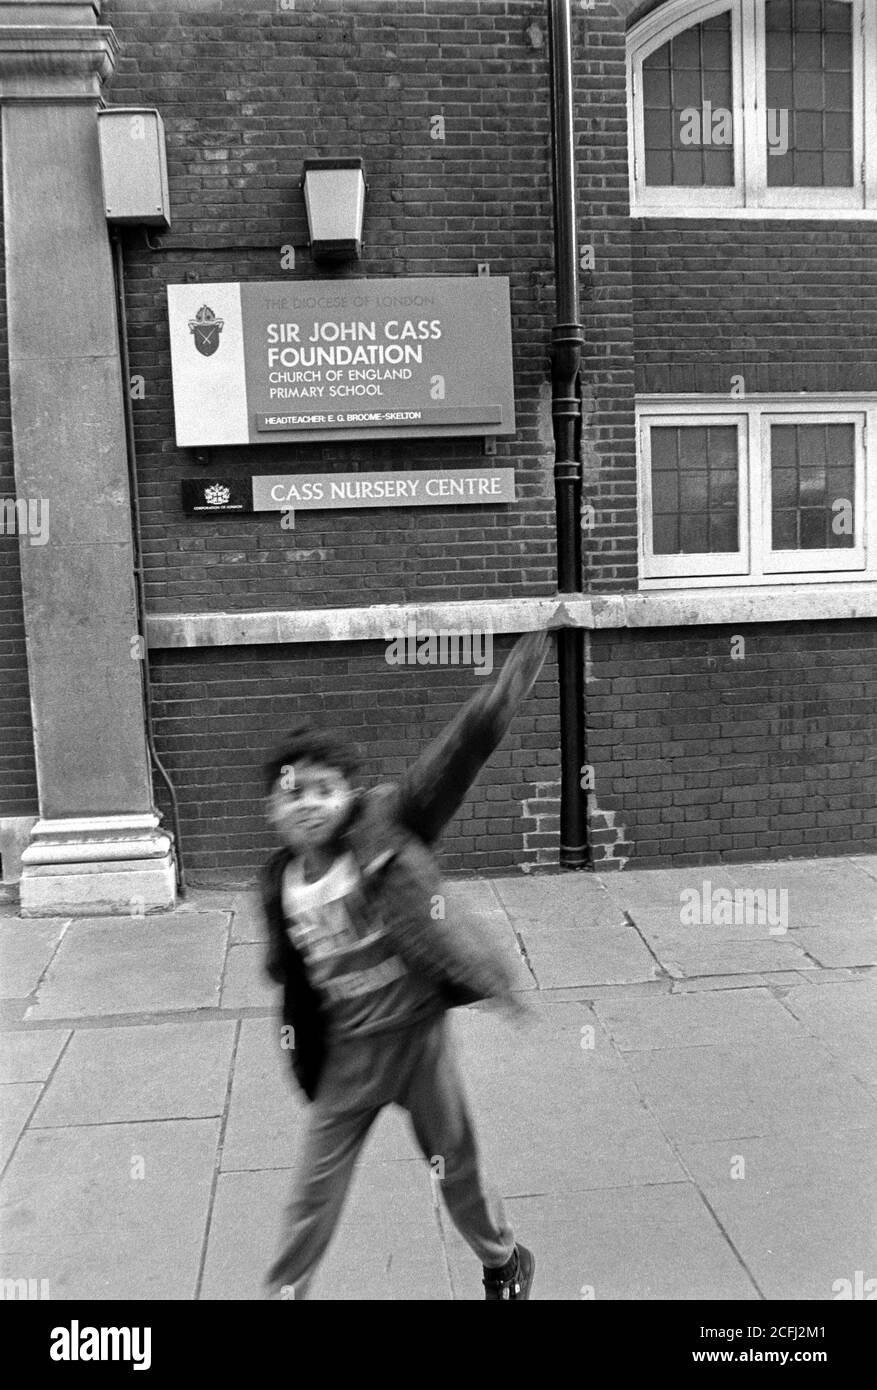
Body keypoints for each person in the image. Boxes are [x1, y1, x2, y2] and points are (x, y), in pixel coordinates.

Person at [261, 629, 550, 1301]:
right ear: (271, 811)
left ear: (350, 796)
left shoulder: (386, 824)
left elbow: (449, 764)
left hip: (417, 1044)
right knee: (312, 1192)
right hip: (345, 1060)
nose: (308, 803)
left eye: (323, 790)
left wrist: (495, 703)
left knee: (458, 1169)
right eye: (292, 793)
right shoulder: (275, 881)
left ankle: (503, 1260)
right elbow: (289, 969)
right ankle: (282, 1293)